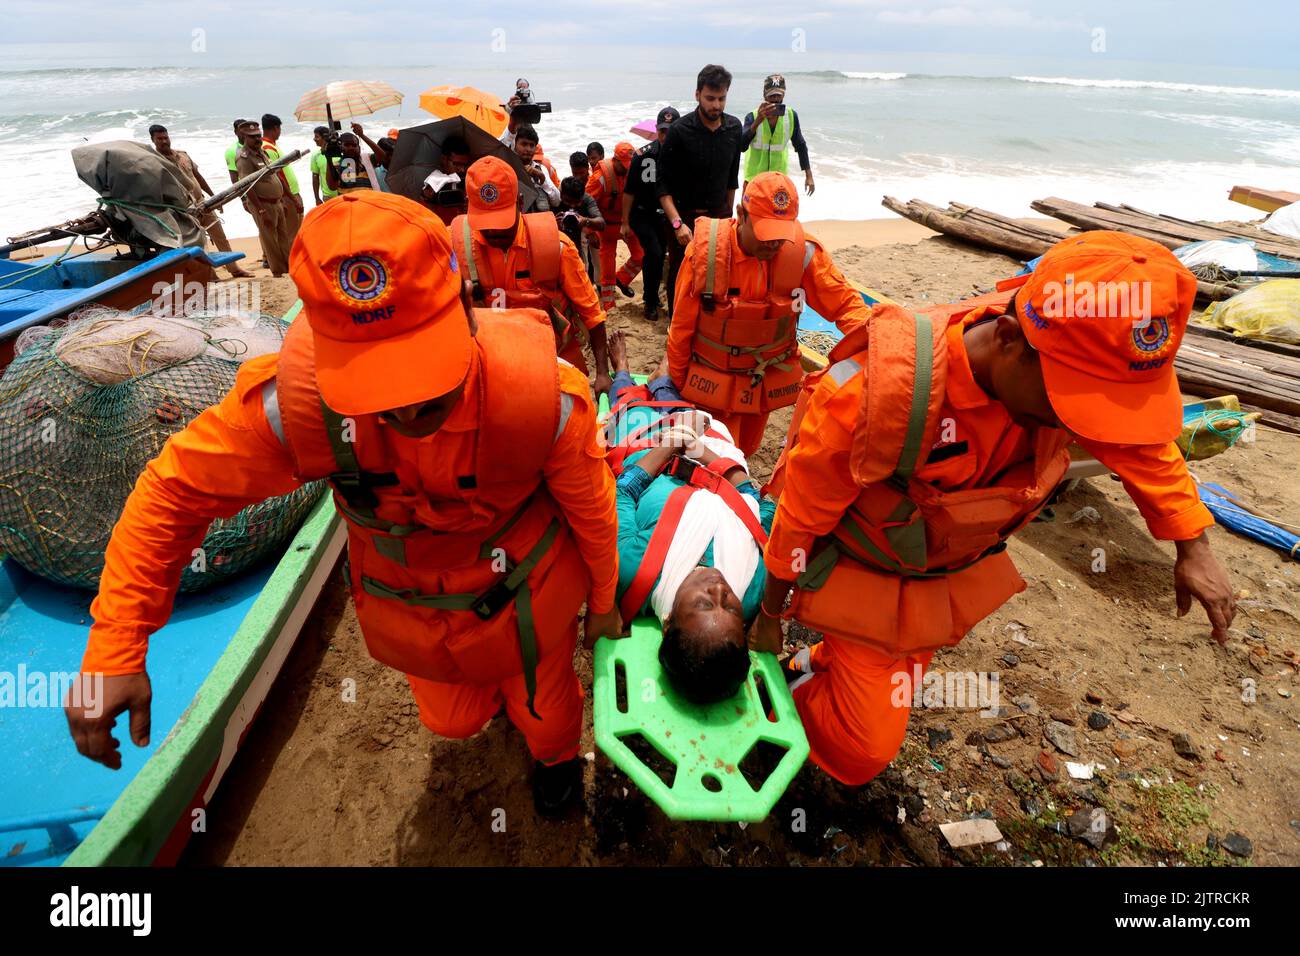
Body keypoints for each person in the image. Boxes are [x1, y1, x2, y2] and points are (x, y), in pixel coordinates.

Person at [63, 191, 622, 817]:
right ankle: (496, 702)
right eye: (377, 384)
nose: (408, 410)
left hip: (528, 596)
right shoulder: (295, 412)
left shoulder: (546, 403)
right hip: (416, 610)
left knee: (547, 718)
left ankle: (553, 762)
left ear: (467, 309)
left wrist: (602, 605)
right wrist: (115, 646)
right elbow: (173, 491)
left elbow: (594, 511)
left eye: (422, 369)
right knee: (453, 722)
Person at [752, 231, 1238, 788]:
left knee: (901, 679)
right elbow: (801, 514)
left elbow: (1143, 447)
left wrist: (1192, 544)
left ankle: (823, 667)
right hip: (862, 575)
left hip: (941, 577)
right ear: (1008, 338)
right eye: (1071, 399)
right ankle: (791, 695)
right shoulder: (873, 397)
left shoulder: (1061, 363)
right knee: (863, 750)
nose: (1081, 427)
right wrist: (769, 616)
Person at [604, 331, 772, 705]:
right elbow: (759, 507)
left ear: (667, 625)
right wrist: (706, 453)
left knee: (629, 410)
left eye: (703, 604)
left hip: (646, 451)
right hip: (710, 455)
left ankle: (622, 369)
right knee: (674, 402)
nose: (720, 590)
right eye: (728, 606)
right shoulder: (753, 586)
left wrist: (671, 446)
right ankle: (664, 376)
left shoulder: (636, 571)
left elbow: (622, 492)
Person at [665, 172, 870, 456]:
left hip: (762, 381)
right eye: (765, 234)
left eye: (780, 236)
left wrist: (883, 340)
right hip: (711, 384)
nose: (773, 244)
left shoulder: (803, 253)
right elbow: (681, 330)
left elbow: (847, 305)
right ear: (741, 214)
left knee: (746, 451)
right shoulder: (705, 256)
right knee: (714, 459)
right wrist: (675, 387)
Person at [452, 156, 613, 397]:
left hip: (554, 360)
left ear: (520, 202)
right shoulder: (452, 248)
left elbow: (591, 311)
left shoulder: (556, 247)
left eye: (501, 221)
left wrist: (602, 372)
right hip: (491, 364)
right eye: (485, 222)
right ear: (468, 206)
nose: (494, 231)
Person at [657, 64, 743, 320]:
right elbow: (662, 186)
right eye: (710, 98)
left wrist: (729, 216)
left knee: (717, 270)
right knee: (681, 271)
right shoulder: (679, 132)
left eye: (721, 98)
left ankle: (708, 322)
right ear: (697, 95)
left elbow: (731, 178)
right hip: (683, 217)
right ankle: (676, 324)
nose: (716, 105)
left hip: (719, 216)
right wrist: (677, 224)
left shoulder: (734, 128)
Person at [148, 124, 252, 279]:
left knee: (220, 236)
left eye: (165, 137)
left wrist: (213, 196)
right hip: (185, 209)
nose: (164, 141)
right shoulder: (156, 162)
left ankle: (234, 269)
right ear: (153, 140)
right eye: (159, 139)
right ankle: (210, 275)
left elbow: (198, 176)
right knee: (198, 243)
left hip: (203, 203)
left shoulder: (182, 155)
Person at [624, 106, 679, 321]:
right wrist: (625, 222)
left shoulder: (682, 157)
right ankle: (650, 301)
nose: (666, 135)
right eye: (663, 131)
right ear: (657, 130)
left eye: (672, 130)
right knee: (654, 253)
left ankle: (658, 297)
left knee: (664, 255)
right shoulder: (642, 155)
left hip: (667, 217)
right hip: (642, 214)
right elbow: (628, 192)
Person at [585, 141, 644, 310]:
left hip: (627, 223)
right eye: (624, 165)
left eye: (629, 165)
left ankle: (623, 278)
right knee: (607, 272)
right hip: (607, 228)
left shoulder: (633, 171)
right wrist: (590, 231)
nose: (627, 169)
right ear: (615, 160)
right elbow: (587, 203)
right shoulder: (600, 178)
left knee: (641, 257)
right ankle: (609, 305)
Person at [234, 123, 297, 276]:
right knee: (270, 240)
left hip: (276, 202)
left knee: (283, 236)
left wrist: (283, 199)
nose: (257, 139)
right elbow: (246, 186)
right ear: (244, 138)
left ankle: (288, 268)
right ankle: (277, 271)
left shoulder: (262, 152)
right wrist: (261, 210)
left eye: (258, 135)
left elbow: (274, 176)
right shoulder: (244, 158)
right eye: (252, 137)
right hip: (263, 204)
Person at [740, 74, 814, 196]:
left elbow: (800, 145)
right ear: (764, 95)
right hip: (754, 180)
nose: (775, 100)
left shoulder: (790, 116)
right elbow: (742, 146)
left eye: (778, 95)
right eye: (771, 96)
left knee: (778, 215)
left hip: (779, 180)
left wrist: (809, 175)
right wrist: (758, 120)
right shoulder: (752, 116)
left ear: (783, 95)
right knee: (750, 215)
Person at [260, 113, 304, 242]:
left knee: (295, 231)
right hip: (287, 195)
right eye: (279, 129)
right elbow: (277, 175)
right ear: (275, 128)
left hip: (290, 193)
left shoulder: (272, 145)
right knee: (292, 234)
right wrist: (291, 198)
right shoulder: (268, 148)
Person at [555, 175, 605, 283]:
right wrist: (553, 224)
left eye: (577, 202)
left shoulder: (587, 199)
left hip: (578, 241)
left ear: (582, 197)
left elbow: (601, 223)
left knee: (580, 271)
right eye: (568, 201)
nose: (572, 206)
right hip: (555, 243)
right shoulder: (554, 199)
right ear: (561, 194)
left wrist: (586, 221)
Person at [513, 124, 560, 211]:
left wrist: (542, 179)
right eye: (524, 144)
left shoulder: (541, 168)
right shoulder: (508, 167)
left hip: (537, 220)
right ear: (515, 145)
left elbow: (557, 201)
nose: (528, 149)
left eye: (532, 145)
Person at [350, 123, 393, 192]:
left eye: (391, 155)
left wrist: (362, 135)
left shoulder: (396, 168)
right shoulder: (373, 167)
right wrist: (361, 135)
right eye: (388, 155)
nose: (390, 158)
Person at [310, 126, 340, 205]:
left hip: (343, 193)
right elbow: (315, 177)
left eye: (317, 137)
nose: (314, 139)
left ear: (325, 138)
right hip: (328, 197)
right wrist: (317, 198)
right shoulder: (316, 155)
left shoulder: (339, 152)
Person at [225, 118, 253, 184]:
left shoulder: (258, 146)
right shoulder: (231, 151)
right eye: (241, 131)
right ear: (235, 132)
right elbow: (234, 179)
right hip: (247, 189)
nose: (244, 133)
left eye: (246, 130)